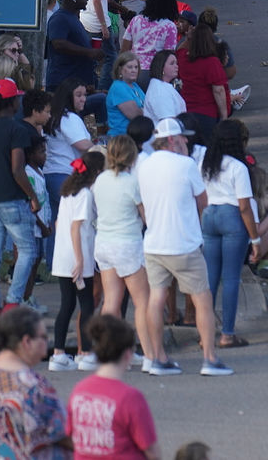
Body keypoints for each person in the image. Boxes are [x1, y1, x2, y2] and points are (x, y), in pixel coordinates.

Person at [137, 116, 231, 376]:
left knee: (156, 299)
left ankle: (157, 358)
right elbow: (204, 202)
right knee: (203, 299)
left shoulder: (143, 165)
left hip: (154, 243)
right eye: (181, 137)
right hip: (184, 244)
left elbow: (142, 203)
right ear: (171, 140)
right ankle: (210, 359)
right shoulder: (186, 164)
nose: (186, 140)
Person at [91, 135, 157, 374]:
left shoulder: (100, 181)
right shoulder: (132, 182)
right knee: (142, 302)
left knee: (111, 302)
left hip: (104, 244)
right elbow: (146, 217)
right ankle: (150, 356)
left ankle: (109, 353)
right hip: (127, 244)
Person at [0, 86, 42, 327]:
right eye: (17, 97)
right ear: (11, 101)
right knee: (27, 250)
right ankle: (14, 303)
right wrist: (32, 195)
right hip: (12, 198)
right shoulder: (15, 129)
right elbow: (17, 169)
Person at [0, 305, 71, 460]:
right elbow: (65, 433)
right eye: (43, 338)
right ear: (27, 341)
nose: (46, 347)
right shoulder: (32, 386)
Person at [199, 119, 259, 349]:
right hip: (231, 216)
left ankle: (205, 332)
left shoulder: (205, 163)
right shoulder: (238, 167)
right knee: (231, 277)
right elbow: (244, 206)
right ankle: (227, 334)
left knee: (210, 278)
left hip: (209, 216)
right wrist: (256, 239)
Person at [68, 315, 160, 460]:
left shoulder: (79, 391)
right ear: (128, 354)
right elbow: (150, 449)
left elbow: (70, 436)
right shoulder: (131, 397)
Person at [48, 151, 103, 372]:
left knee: (67, 305)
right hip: (78, 256)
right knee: (87, 304)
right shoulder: (86, 195)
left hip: (62, 257)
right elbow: (76, 227)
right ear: (97, 172)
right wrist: (80, 260)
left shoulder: (67, 193)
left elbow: (60, 222)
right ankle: (86, 353)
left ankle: (58, 353)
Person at [43, 80, 97, 225]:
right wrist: (102, 150)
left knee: (56, 224)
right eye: (78, 95)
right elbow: (82, 144)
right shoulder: (69, 118)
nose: (83, 99)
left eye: (85, 95)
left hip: (51, 174)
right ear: (67, 97)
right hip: (64, 176)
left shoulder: (55, 117)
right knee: (71, 224)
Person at [177, 25, 230, 141]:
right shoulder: (211, 62)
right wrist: (224, 116)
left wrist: (187, 38)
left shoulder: (183, 59)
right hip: (207, 113)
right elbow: (218, 90)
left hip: (186, 113)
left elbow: (180, 50)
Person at [48, 0, 104, 93]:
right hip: (63, 83)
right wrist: (88, 52)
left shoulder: (74, 18)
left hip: (79, 83)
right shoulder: (60, 18)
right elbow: (58, 43)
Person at [104, 53, 145, 141]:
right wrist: (147, 110)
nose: (134, 70)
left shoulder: (134, 85)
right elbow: (136, 116)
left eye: (136, 67)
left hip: (135, 136)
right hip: (121, 139)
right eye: (130, 67)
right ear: (120, 70)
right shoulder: (118, 87)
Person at [141, 50, 185, 124]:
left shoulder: (164, 86)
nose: (176, 66)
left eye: (176, 63)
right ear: (161, 66)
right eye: (172, 63)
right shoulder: (159, 90)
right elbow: (168, 121)